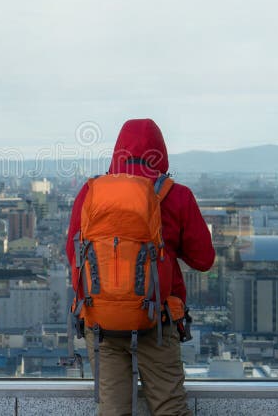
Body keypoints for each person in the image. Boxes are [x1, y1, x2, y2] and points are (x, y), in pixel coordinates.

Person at [65, 118, 215, 416]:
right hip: (156, 319)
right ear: (161, 153)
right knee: (169, 407)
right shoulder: (177, 195)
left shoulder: (90, 192)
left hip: (101, 319)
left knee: (113, 410)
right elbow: (204, 259)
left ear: (117, 152)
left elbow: (73, 254)